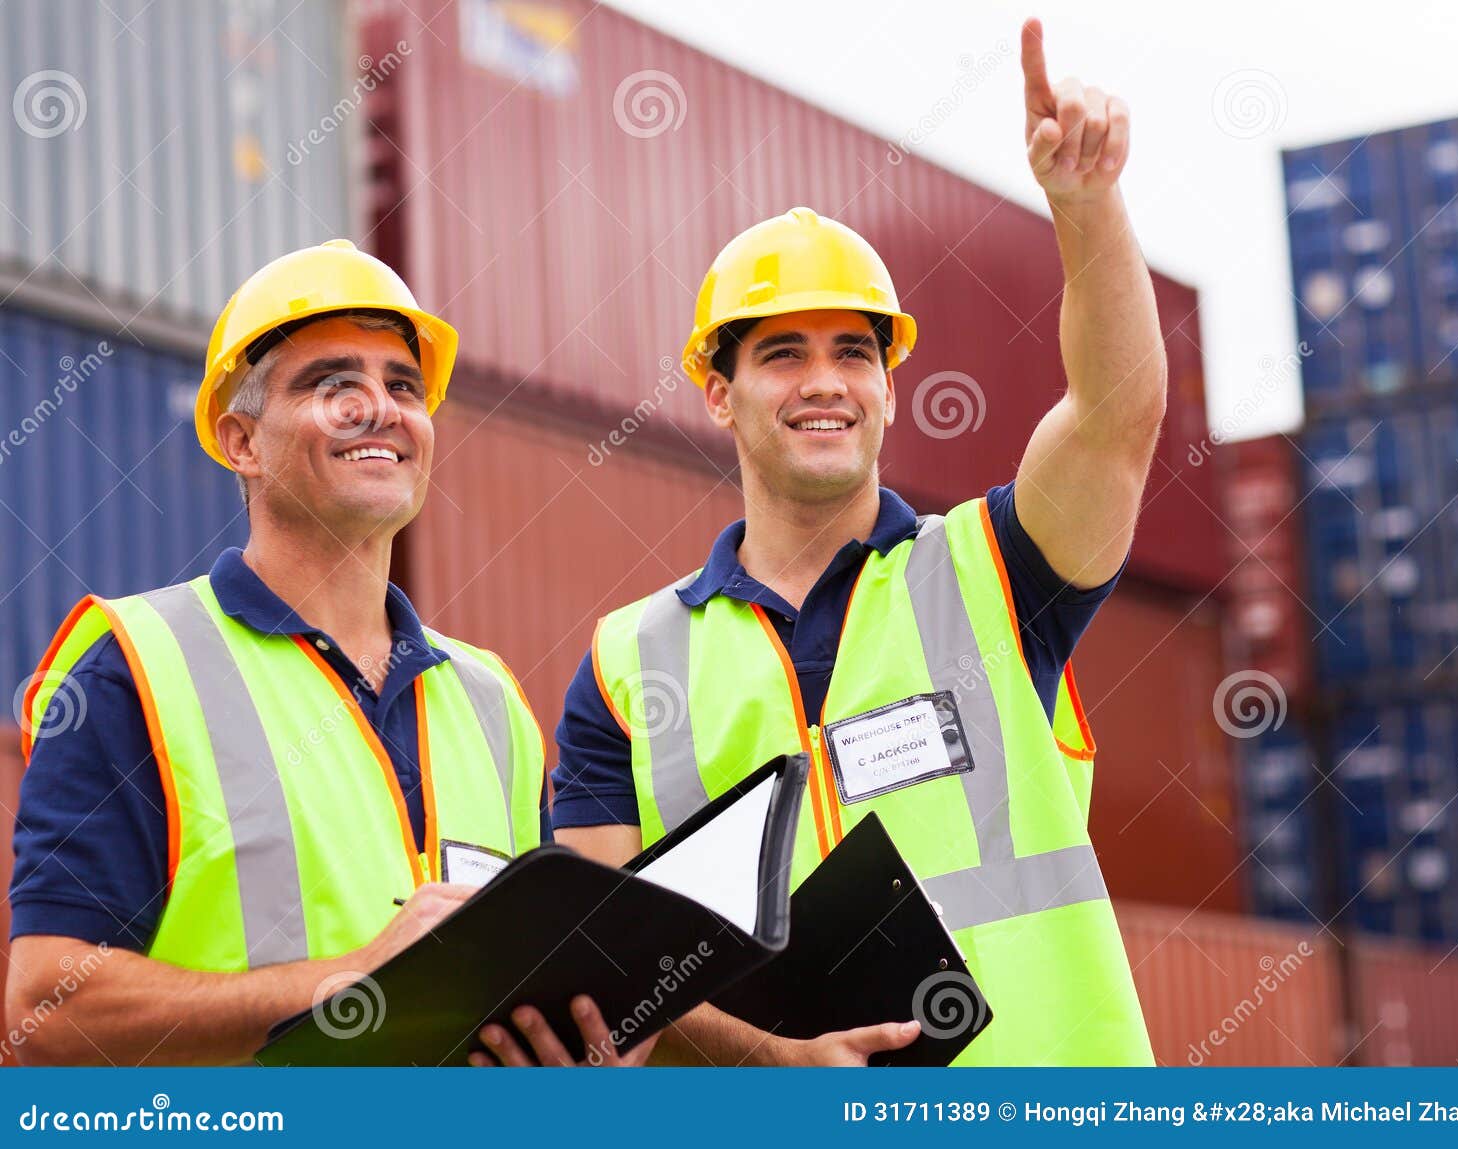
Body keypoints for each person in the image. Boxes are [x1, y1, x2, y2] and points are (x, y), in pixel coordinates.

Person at [552, 19, 1161, 1065]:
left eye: (853, 352)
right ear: (716, 392)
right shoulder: (623, 666)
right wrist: (766, 1059)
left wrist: (1086, 202)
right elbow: (595, 971)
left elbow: (1114, 419)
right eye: (782, 353)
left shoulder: (995, 573)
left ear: (888, 385)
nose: (824, 380)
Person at [5, 241, 649, 1068]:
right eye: (333, 383)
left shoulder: (492, 701)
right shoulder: (135, 669)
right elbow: (45, 1012)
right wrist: (350, 978)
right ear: (242, 441)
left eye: (403, 385)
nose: (380, 408)